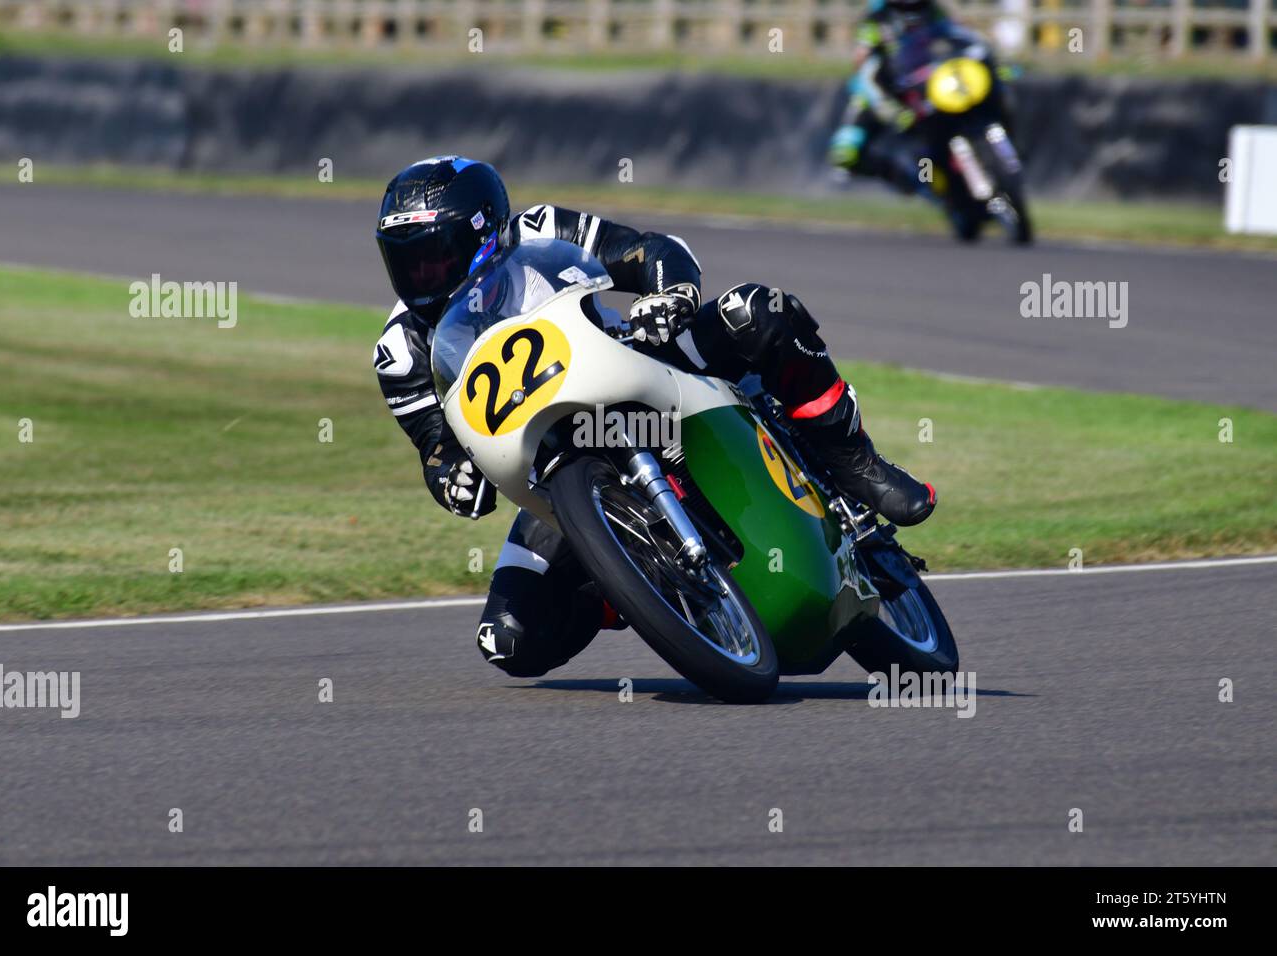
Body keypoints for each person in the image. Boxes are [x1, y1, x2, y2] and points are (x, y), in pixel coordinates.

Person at [373, 155, 936, 677]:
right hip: (555, 467)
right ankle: (629, 579)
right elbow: (436, 445)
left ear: (481, 230)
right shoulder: (399, 351)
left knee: (758, 312)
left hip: (636, 364)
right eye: (405, 261)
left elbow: (648, 252)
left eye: (434, 254)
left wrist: (669, 298)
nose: (421, 274)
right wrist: (449, 474)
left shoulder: (540, 228)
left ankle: (855, 461)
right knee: (510, 640)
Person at [830, 0, 994, 193]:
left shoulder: (933, 10)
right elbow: (864, 67)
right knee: (845, 155)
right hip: (881, 97)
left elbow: (960, 36)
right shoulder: (876, 20)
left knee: (931, 140)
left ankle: (937, 181)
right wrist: (891, 108)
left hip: (925, 91)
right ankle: (904, 178)